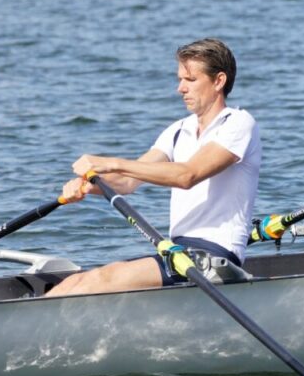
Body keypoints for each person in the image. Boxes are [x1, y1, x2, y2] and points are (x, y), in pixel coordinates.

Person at [48, 38, 260, 296]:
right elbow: (127, 182)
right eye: (180, 79)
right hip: (179, 252)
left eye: (190, 80)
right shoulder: (177, 131)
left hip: (215, 257)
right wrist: (85, 187)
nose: (180, 88)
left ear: (218, 81)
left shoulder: (238, 124)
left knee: (102, 280)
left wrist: (111, 162)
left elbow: (187, 175)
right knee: (78, 281)